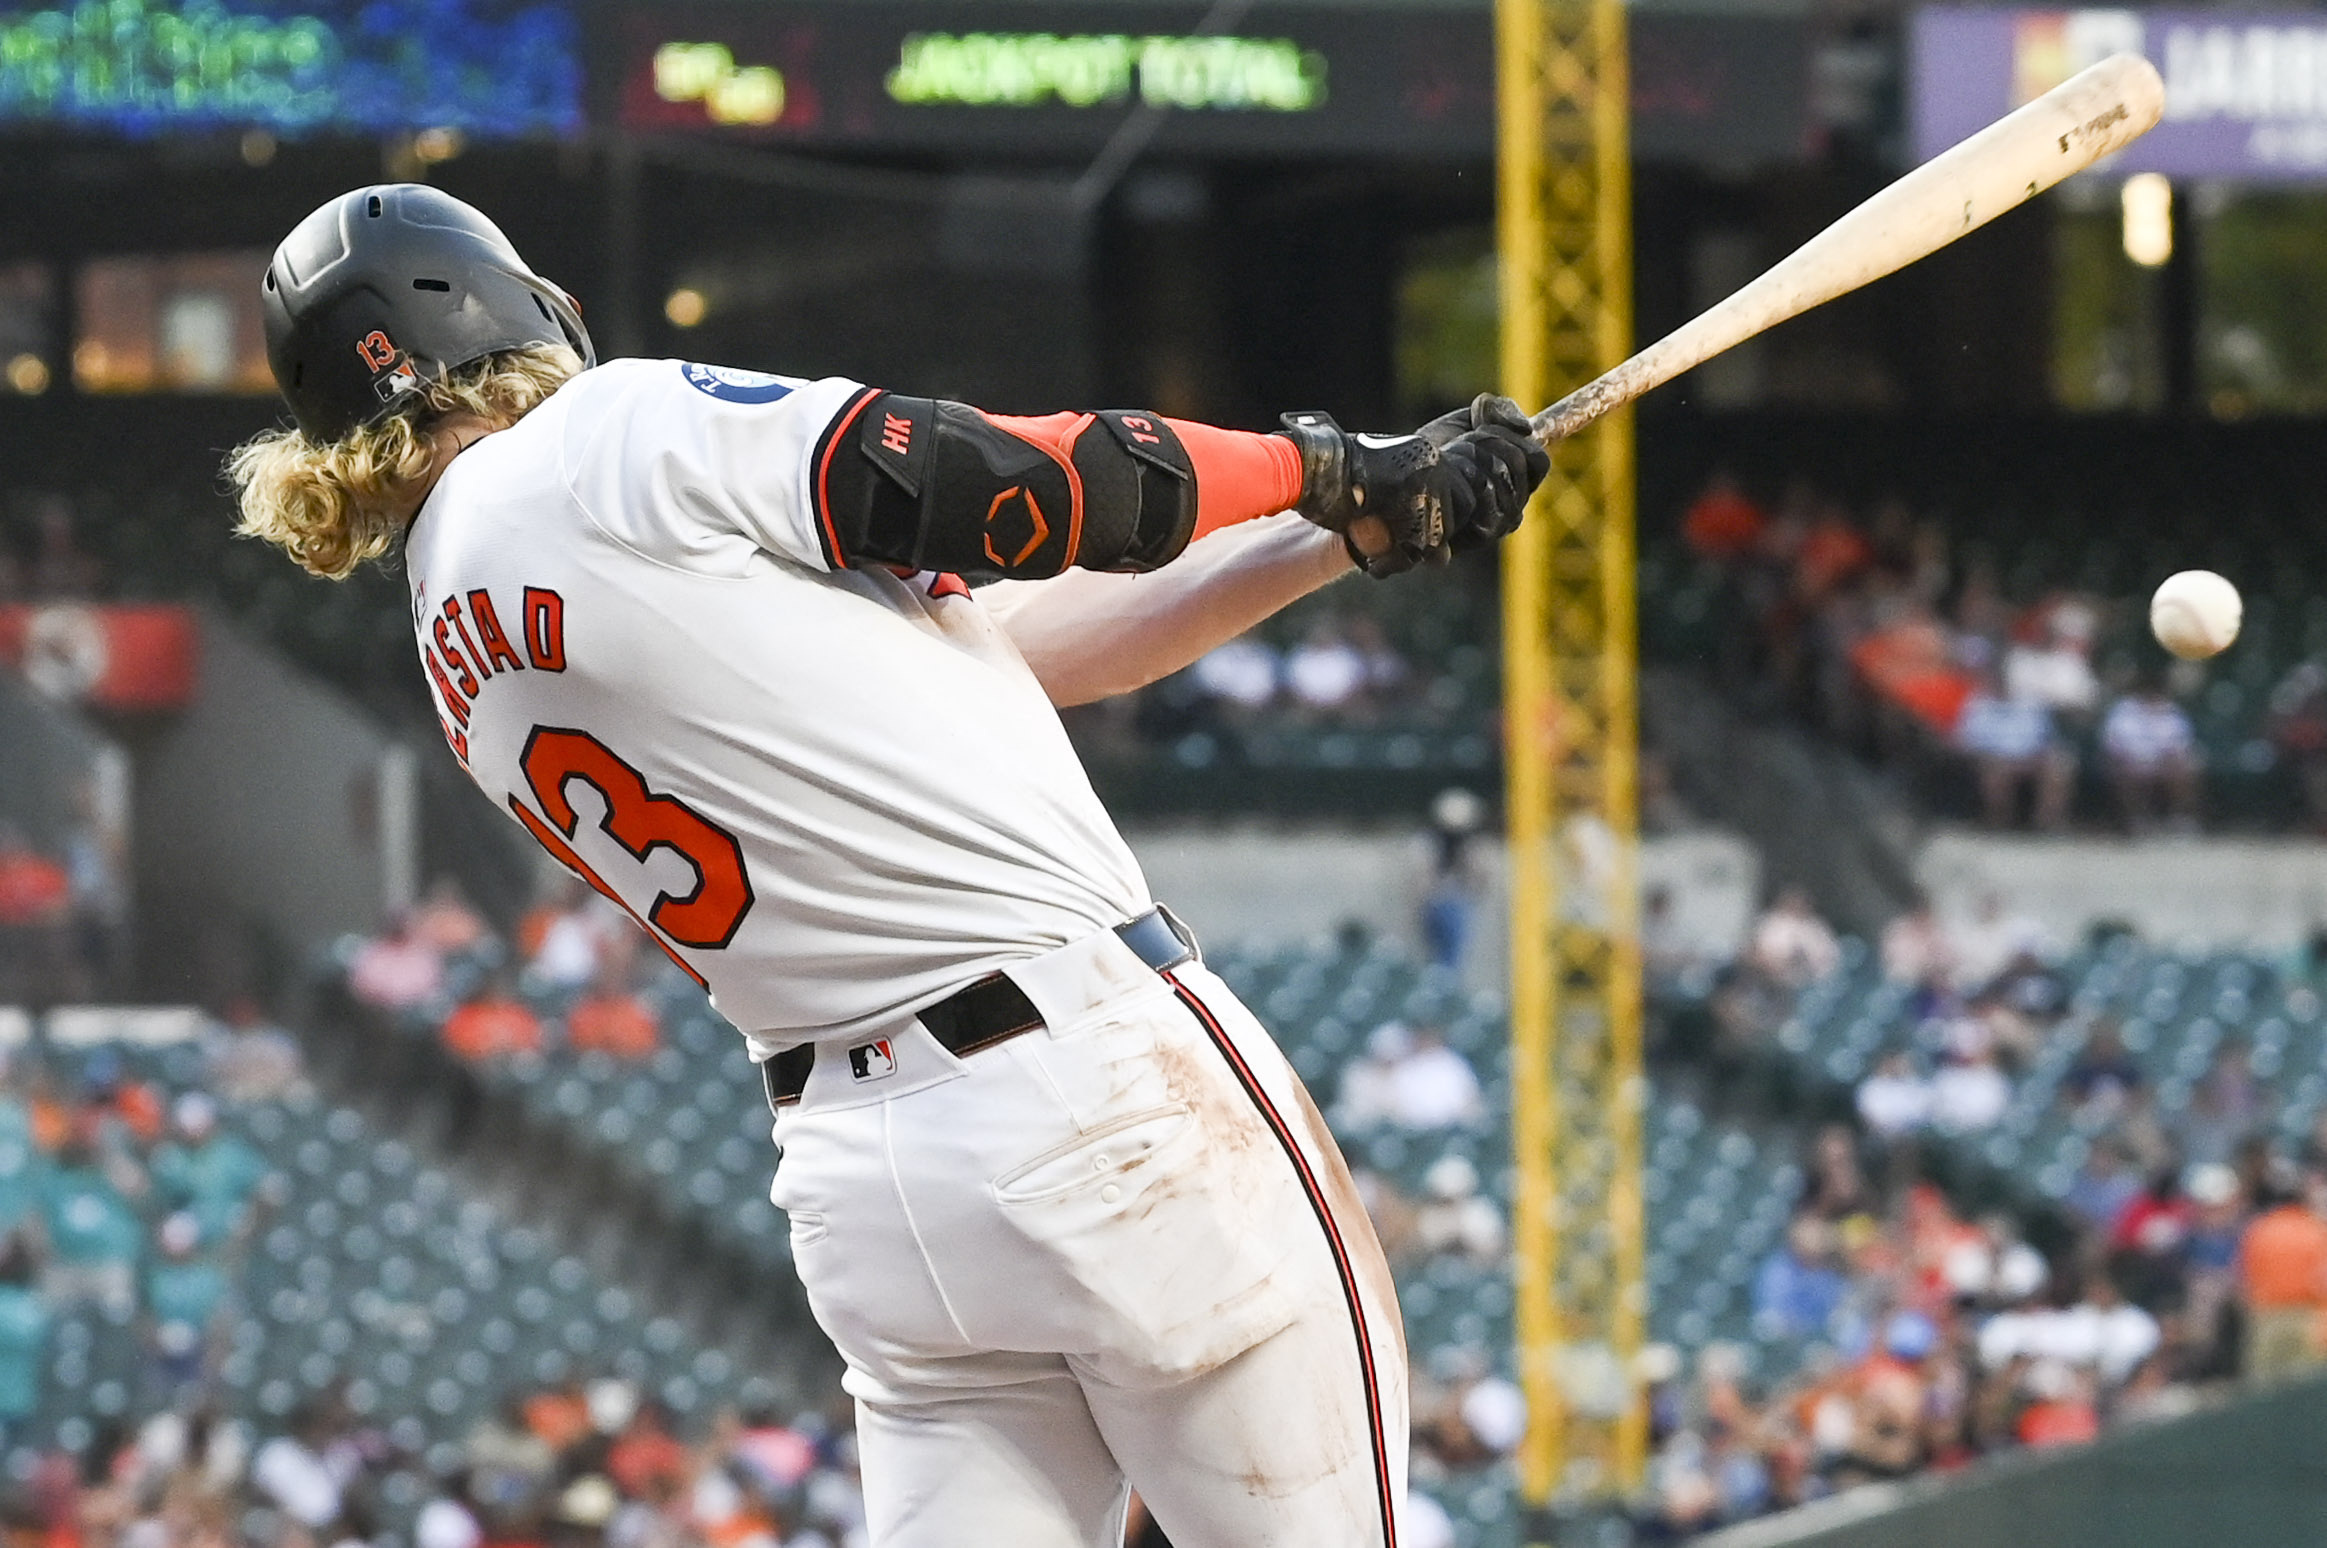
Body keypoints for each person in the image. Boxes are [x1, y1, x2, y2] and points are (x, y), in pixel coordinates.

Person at [227, 184, 1548, 1548]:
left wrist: (1342, 530)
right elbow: (1015, 484)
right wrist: (1319, 466)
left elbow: (1026, 643)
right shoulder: (598, 435)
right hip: (1096, 1090)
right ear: (497, 306)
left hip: (875, 1191)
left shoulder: (454, 626)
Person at [2101, 679, 2201, 832]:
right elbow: (2113, 744)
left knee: (2184, 767)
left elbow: (2181, 744)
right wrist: (2135, 759)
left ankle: (2180, 817)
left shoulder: (2172, 711)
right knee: (2124, 769)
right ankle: (2135, 819)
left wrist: (2167, 760)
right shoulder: (2123, 710)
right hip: (2131, 762)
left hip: (2164, 763)